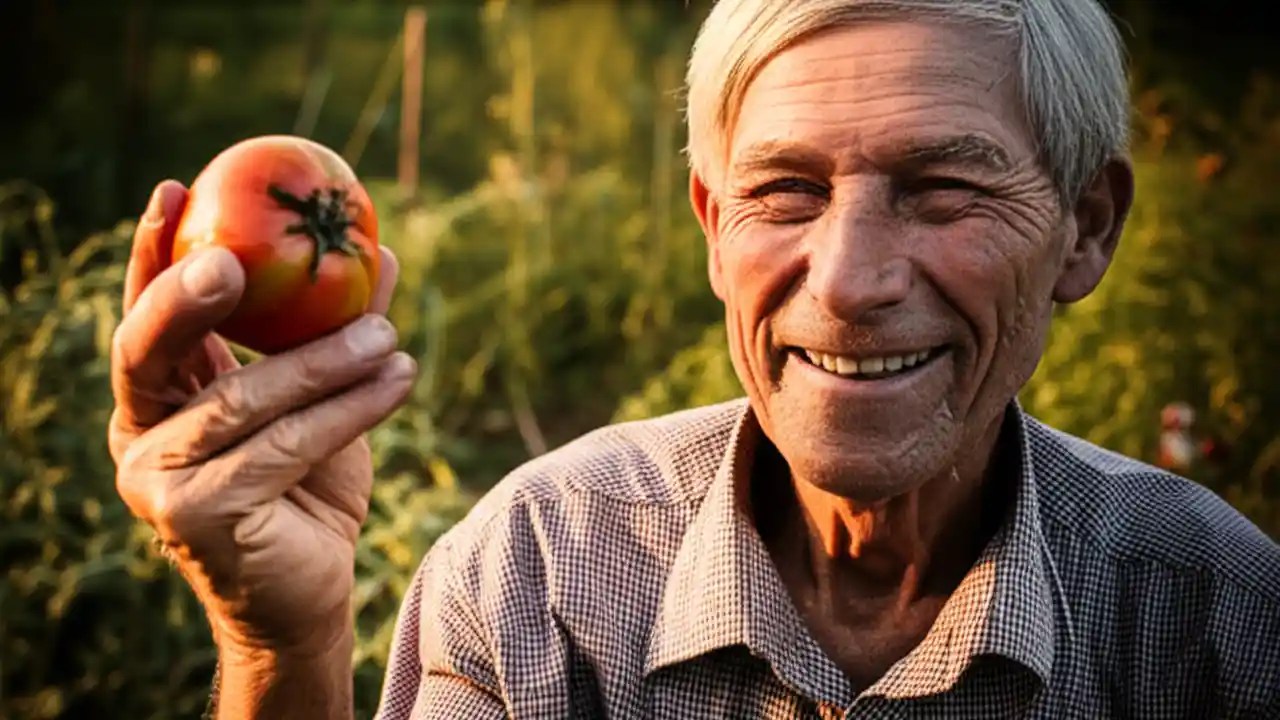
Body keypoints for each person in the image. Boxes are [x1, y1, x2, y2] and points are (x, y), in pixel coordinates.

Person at [109, 0, 1280, 718]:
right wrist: (281, 647)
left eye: (941, 191)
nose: (845, 279)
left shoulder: (1221, 626)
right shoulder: (532, 585)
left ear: (1083, 229)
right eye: (784, 192)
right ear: (712, 227)